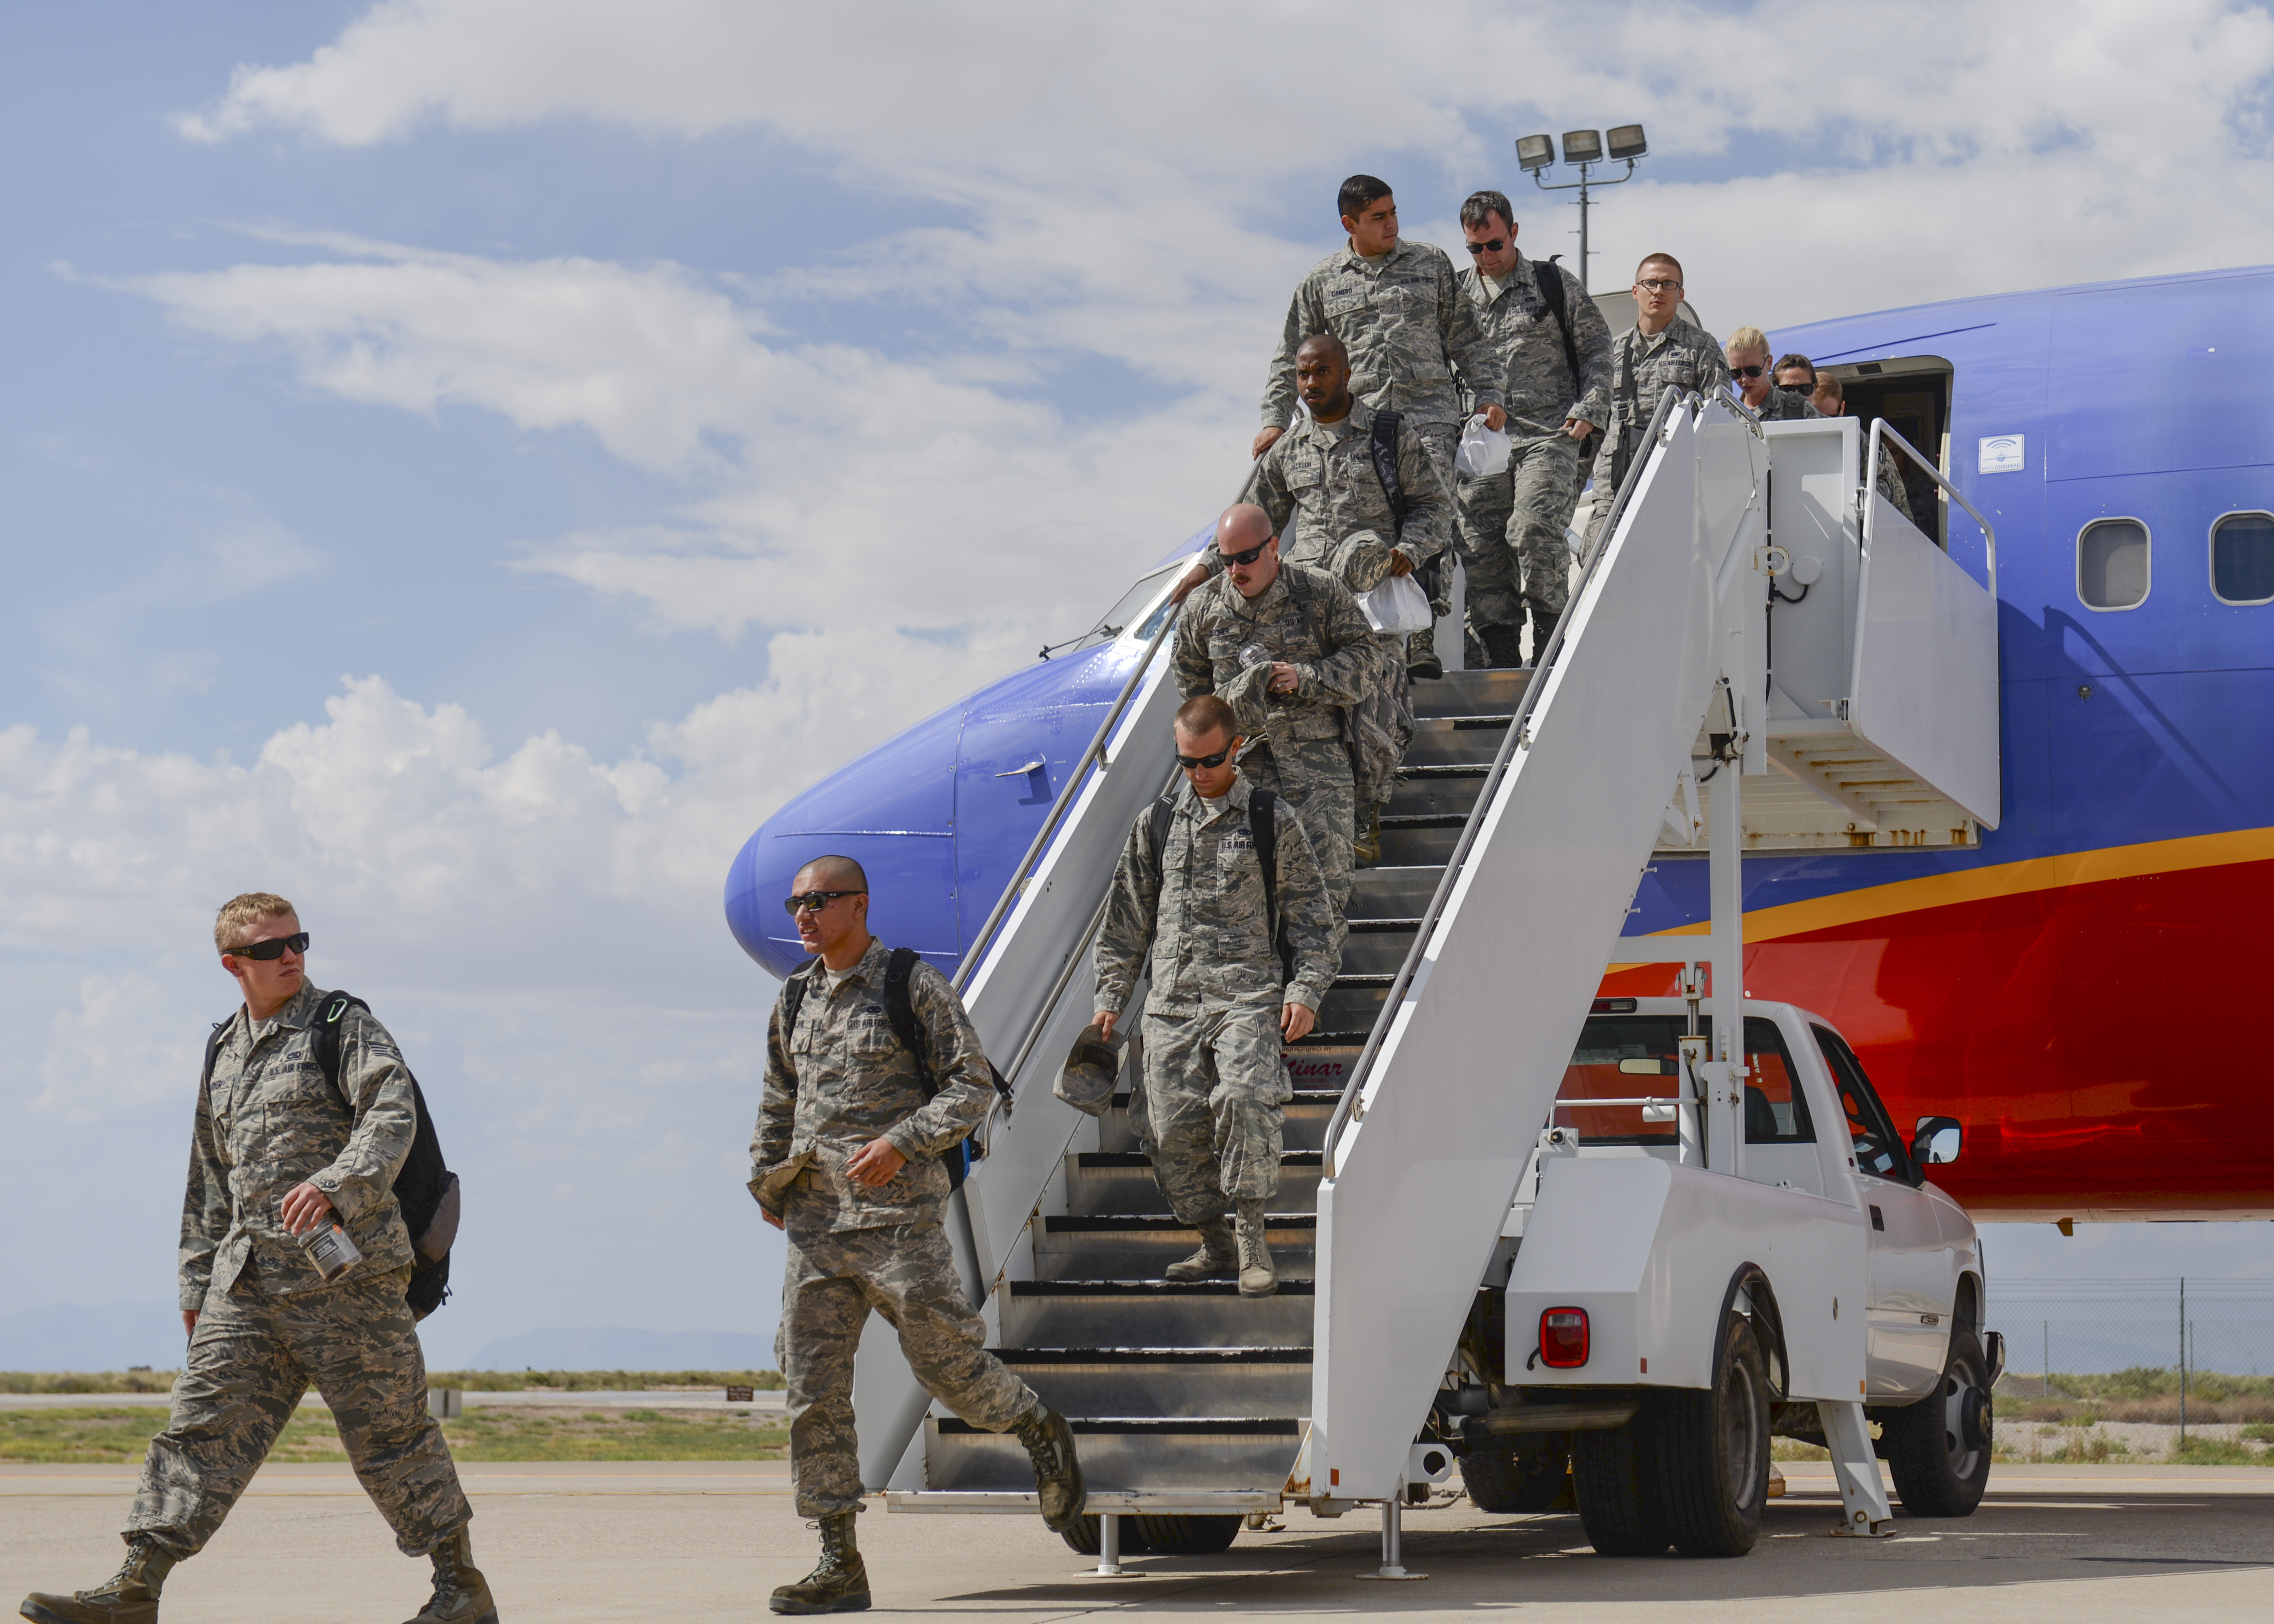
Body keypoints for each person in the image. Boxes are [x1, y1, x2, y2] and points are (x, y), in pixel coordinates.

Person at [20, 894, 495, 1624]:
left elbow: (390, 1111)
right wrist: (195, 1280)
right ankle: (136, 1589)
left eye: (298, 940)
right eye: (273, 947)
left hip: (350, 1283)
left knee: (392, 1439)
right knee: (198, 1430)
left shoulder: (342, 1026)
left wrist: (338, 1183)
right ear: (234, 965)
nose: (292, 955)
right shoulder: (224, 1049)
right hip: (247, 1286)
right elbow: (210, 1174)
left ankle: (461, 1590)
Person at [751, 857, 1083, 1614]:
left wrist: (904, 1141)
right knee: (812, 1393)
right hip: (815, 1228)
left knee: (950, 1370)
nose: (802, 914)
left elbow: (972, 1086)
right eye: (796, 902)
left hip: (900, 1225)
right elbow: (778, 1098)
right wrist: (768, 1181)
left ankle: (1038, 1428)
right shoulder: (793, 999)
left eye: (818, 901)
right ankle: (838, 1560)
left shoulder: (910, 983)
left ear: (858, 905)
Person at [1091, 695, 1340, 1297]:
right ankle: (1214, 1239)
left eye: (1208, 761)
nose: (1198, 775)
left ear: (1236, 748)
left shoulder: (1268, 818)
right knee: (1168, 1129)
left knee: (1244, 1098)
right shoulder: (1156, 823)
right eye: (1185, 763)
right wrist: (1110, 996)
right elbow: (1126, 920)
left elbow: (1314, 916)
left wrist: (1305, 989)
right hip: (1172, 1000)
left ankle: (1253, 1234)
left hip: (1246, 996)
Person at [1255, 174, 1501, 680]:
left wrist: (1489, 395)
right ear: (1350, 224)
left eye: (1393, 212)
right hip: (1361, 427)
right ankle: (1367, 635)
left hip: (1428, 414)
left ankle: (1421, 639)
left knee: (1430, 519)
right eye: (1378, 217)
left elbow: (1468, 339)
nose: (1391, 223)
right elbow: (1289, 358)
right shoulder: (1322, 282)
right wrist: (1275, 422)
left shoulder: (1430, 264)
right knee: (1366, 529)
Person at [1246, 331, 1443, 862]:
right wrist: (1206, 573)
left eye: (1322, 373)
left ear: (1346, 373)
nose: (1311, 384)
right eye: (1302, 375)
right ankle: (1324, 824)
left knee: (1377, 714)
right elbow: (1253, 519)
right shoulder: (1288, 449)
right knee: (1319, 713)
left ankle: (1367, 814)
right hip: (1312, 606)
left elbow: (1434, 507)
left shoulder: (1386, 432)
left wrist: (1409, 549)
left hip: (1373, 599)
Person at [1171, 507, 1380, 914]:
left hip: (1318, 775)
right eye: (1226, 559)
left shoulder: (1318, 590)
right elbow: (1193, 698)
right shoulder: (1202, 610)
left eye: (1246, 557)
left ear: (1272, 546)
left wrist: (1307, 677)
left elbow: (1368, 661)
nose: (1235, 570)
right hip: (1242, 778)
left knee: (1323, 898)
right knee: (1246, 904)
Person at [1452, 189, 1613, 668]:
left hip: (1547, 435)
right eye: (1475, 249)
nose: (1486, 257)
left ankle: (1548, 636)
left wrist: (1591, 406)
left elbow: (1598, 351)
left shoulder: (1551, 284)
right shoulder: (1458, 298)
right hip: (1483, 445)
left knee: (1533, 527)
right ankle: (1500, 655)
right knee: (1481, 546)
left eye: (1494, 245)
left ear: (1514, 233)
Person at [1582, 253, 1730, 558]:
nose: (1658, 291)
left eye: (1668, 284)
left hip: (1676, 481)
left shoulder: (1701, 347)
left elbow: (1719, 419)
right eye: (1650, 283)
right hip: (1615, 484)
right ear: (1636, 291)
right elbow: (1594, 424)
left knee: (1668, 570)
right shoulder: (1612, 350)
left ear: (1681, 293)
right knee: (1597, 566)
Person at [1804, 368, 1918, 525]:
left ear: (1842, 409)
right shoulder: (1791, 446)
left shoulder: (1868, 447)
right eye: (1816, 417)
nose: (1824, 424)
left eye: (1829, 418)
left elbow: (1886, 498)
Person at [1727, 327, 1820, 421]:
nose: (1745, 379)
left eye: (1753, 370)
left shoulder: (1799, 409)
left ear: (1769, 363)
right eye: (1736, 373)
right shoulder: (1728, 416)